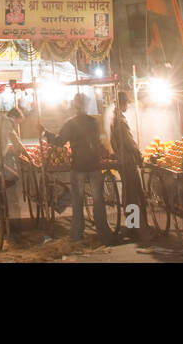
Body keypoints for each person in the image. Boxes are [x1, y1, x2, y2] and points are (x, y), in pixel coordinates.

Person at [43, 94, 115, 246]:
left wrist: (45, 133)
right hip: (94, 165)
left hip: (79, 167)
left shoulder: (71, 123)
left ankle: (77, 234)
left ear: (75, 106)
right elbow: (97, 141)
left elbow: (59, 141)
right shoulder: (94, 122)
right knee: (98, 201)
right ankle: (104, 233)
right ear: (86, 106)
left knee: (78, 201)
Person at [108, 92, 145, 241]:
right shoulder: (120, 121)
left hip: (122, 159)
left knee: (129, 194)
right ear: (122, 103)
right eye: (127, 103)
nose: (128, 106)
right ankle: (134, 227)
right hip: (127, 160)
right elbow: (128, 142)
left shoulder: (114, 118)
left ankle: (132, 225)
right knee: (133, 195)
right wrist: (138, 154)